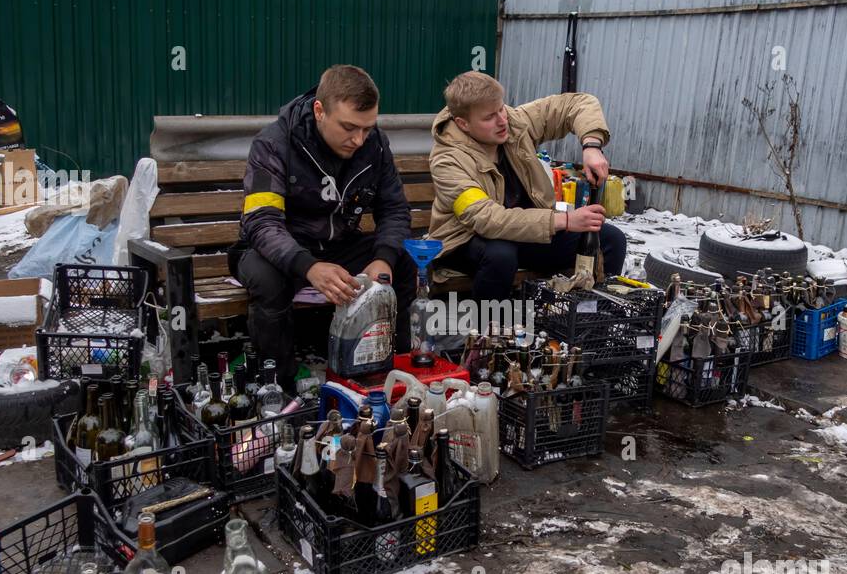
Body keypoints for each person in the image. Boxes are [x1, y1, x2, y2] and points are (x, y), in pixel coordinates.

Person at [230, 65, 416, 390]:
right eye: (349, 127)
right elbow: (262, 222)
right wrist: (310, 267)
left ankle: (393, 367)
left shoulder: (376, 146)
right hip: (278, 251)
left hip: (338, 246)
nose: (359, 139)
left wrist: (383, 258)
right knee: (267, 279)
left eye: (367, 128)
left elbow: (395, 209)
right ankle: (279, 386)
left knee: (403, 261)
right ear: (319, 110)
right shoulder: (273, 144)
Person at [427, 72, 626, 301]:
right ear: (463, 124)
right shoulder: (448, 161)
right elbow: (485, 219)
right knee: (501, 255)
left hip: (526, 234)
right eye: (489, 117)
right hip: (465, 241)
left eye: (501, 108)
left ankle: (593, 324)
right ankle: (487, 332)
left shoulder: (515, 122)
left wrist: (592, 145)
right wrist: (565, 220)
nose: (502, 121)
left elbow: (577, 103)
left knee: (611, 240)